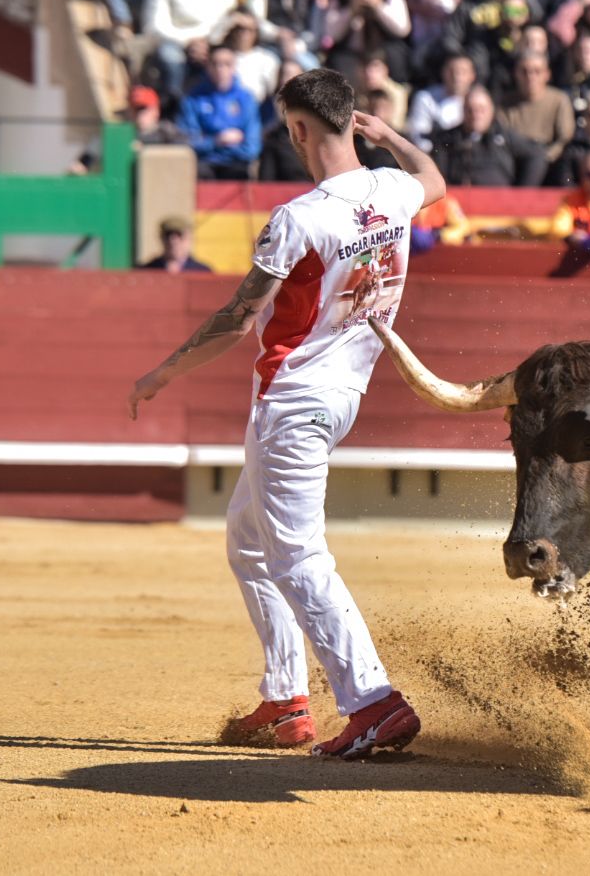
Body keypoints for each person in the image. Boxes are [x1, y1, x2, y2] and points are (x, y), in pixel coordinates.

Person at [127, 68, 442, 760]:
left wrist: (162, 373)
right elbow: (435, 179)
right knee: (248, 535)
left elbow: (239, 317)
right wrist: (390, 137)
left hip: (294, 402)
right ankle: (287, 698)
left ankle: (373, 701)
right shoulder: (395, 189)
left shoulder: (299, 218)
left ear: (299, 129)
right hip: (344, 394)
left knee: (298, 556)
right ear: (353, 119)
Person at [141, 0, 237, 105]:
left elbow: (223, 18)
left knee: (228, 60)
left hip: (209, 44)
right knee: (170, 57)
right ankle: (173, 106)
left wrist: (206, 42)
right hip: (174, 44)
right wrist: (188, 42)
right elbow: (154, 27)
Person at [431, 86, 549, 186]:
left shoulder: (504, 135)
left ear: (491, 110)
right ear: (463, 111)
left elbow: (537, 154)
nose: (475, 115)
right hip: (457, 206)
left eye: (481, 110)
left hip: (500, 206)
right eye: (470, 110)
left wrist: (522, 195)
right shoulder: (446, 139)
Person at [178, 45, 263, 179]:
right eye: (215, 64)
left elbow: (252, 147)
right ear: (208, 67)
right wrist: (216, 141)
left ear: (234, 67)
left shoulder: (246, 99)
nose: (220, 69)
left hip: (237, 164)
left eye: (226, 64)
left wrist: (224, 149)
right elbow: (187, 140)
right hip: (204, 164)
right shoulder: (193, 99)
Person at [497, 52, 576, 165]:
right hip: (515, 157)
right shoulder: (505, 102)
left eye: (537, 71)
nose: (530, 77)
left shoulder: (559, 100)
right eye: (524, 71)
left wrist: (544, 157)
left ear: (547, 74)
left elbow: (565, 138)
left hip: (549, 159)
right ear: (516, 74)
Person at [141, 217, 214, 272]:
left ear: (189, 238)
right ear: (161, 237)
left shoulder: (202, 272)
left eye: (179, 235)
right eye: (168, 235)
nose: (173, 241)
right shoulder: (147, 270)